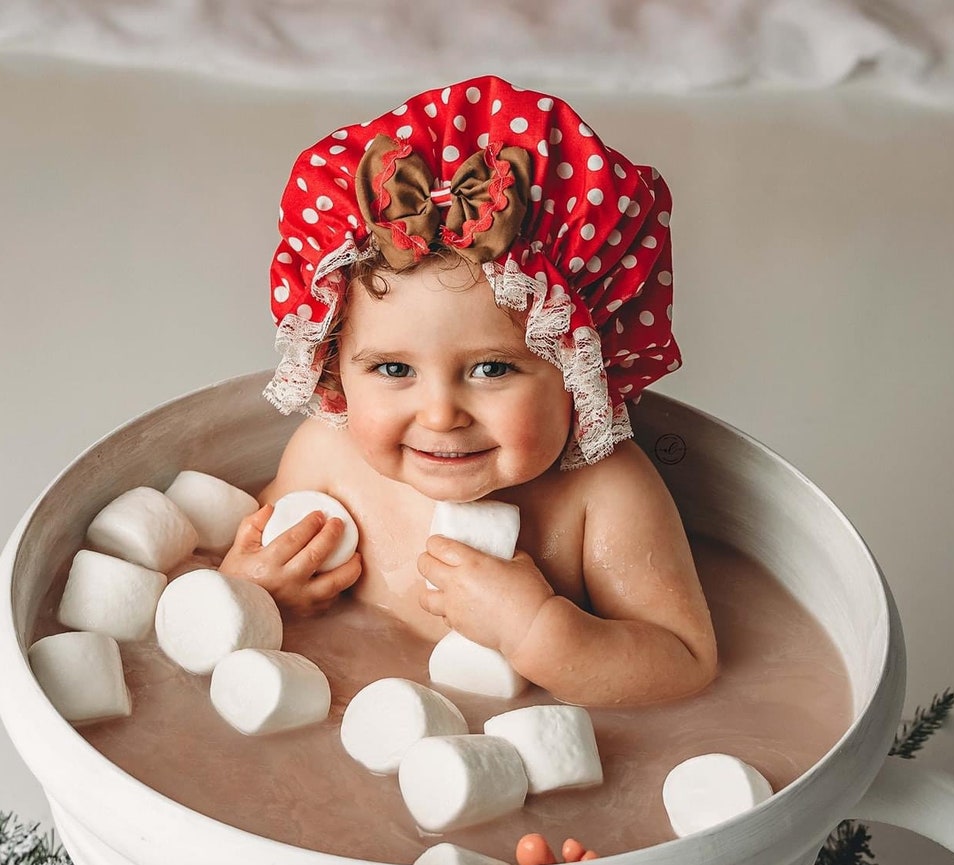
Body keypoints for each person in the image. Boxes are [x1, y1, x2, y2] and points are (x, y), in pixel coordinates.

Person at [218, 75, 715, 707]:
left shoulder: (605, 493)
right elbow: (252, 546)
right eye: (393, 370)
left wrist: (540, 631)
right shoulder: (324, 456)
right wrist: (250, 591)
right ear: (331, 364)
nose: (440, 414)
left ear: (581, 365)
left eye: (491, 370)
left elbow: (686, 661)